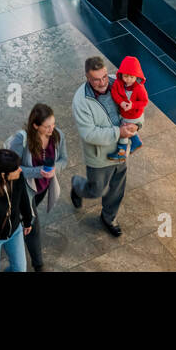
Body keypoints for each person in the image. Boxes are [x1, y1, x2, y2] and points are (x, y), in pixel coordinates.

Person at [70, 55, 135, 238]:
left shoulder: (119, 83)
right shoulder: (81, 101)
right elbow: (89, 134)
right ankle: (77, 186)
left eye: (104, 76)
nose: (102, 82)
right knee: (97, 189)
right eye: (96, 79)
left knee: (117, 186)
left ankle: (108, 218)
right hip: (99, 156)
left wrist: (137, 124)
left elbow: (137, 107)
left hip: (122, 149)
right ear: (87, 78)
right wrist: (118, 133)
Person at [4, 103, 67, 272]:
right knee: (32, 223)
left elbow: (63, 160)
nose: (51, 129)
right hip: (24, 188)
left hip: (43, 187)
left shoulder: (58, 135)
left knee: (24, 215)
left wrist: (55, 170)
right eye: (47, 126)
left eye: (53, 124)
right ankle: (38, 264)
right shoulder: (22, 140)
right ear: (35, 125)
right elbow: (14, 168)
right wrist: (37, 172)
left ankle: (14, 223)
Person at [107, 55, 148, 160]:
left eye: (132, 77)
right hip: (125, 112)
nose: (128, 80)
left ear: (137, 76)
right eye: (126, 76)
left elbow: (144, 101)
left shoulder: (139, 88)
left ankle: (121, 154)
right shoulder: (118, 82)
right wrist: (121, 103)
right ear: (121, 75)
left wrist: (132, 105)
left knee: (124, 131)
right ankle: (136, 142)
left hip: (134, 115)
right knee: (129, 128)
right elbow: (115, 93)